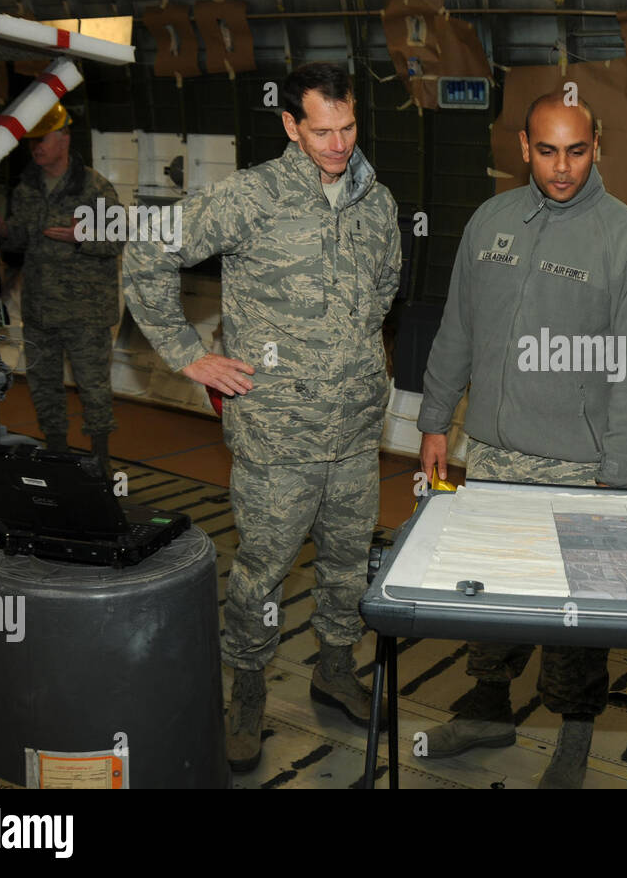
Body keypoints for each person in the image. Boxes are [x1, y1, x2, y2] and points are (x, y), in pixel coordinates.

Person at [122, 62, 402, 774]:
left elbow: (385, 288)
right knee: (262, 573)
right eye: (321, 131)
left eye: (348, 128)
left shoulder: (379, 202)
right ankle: (246, 692)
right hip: (277, 434)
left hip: (354, 433)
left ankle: (334, 668)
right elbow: (148, 251)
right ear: (289, 125)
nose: (338, 143)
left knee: (347, 565)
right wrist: (189, 353)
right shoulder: (250, 197)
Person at [415, 92, 627, 789]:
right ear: (523, 147)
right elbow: (459, 328)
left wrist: (617, 479)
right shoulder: (490, 222)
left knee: (575, 619)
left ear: (598, 149)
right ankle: (487, 708)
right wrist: (436, 420)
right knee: (488, 598)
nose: (563, 168)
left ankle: (575, 735)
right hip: (492, 458)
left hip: (581, 471)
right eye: (548, 151)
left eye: (578, 151)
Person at [0, 102, 122, 466]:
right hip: (39, 309)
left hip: (85, 312)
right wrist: (4, 232)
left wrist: (80, 237)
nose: (36, 147)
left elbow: (118, 238)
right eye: (32, 140)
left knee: (93, 391)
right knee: (44, 388)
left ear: (65, 138)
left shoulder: (93, 186)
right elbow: (20, 241)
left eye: (43, 138)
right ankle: (59, 459)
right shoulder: (27, 186)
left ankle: (100, 466)